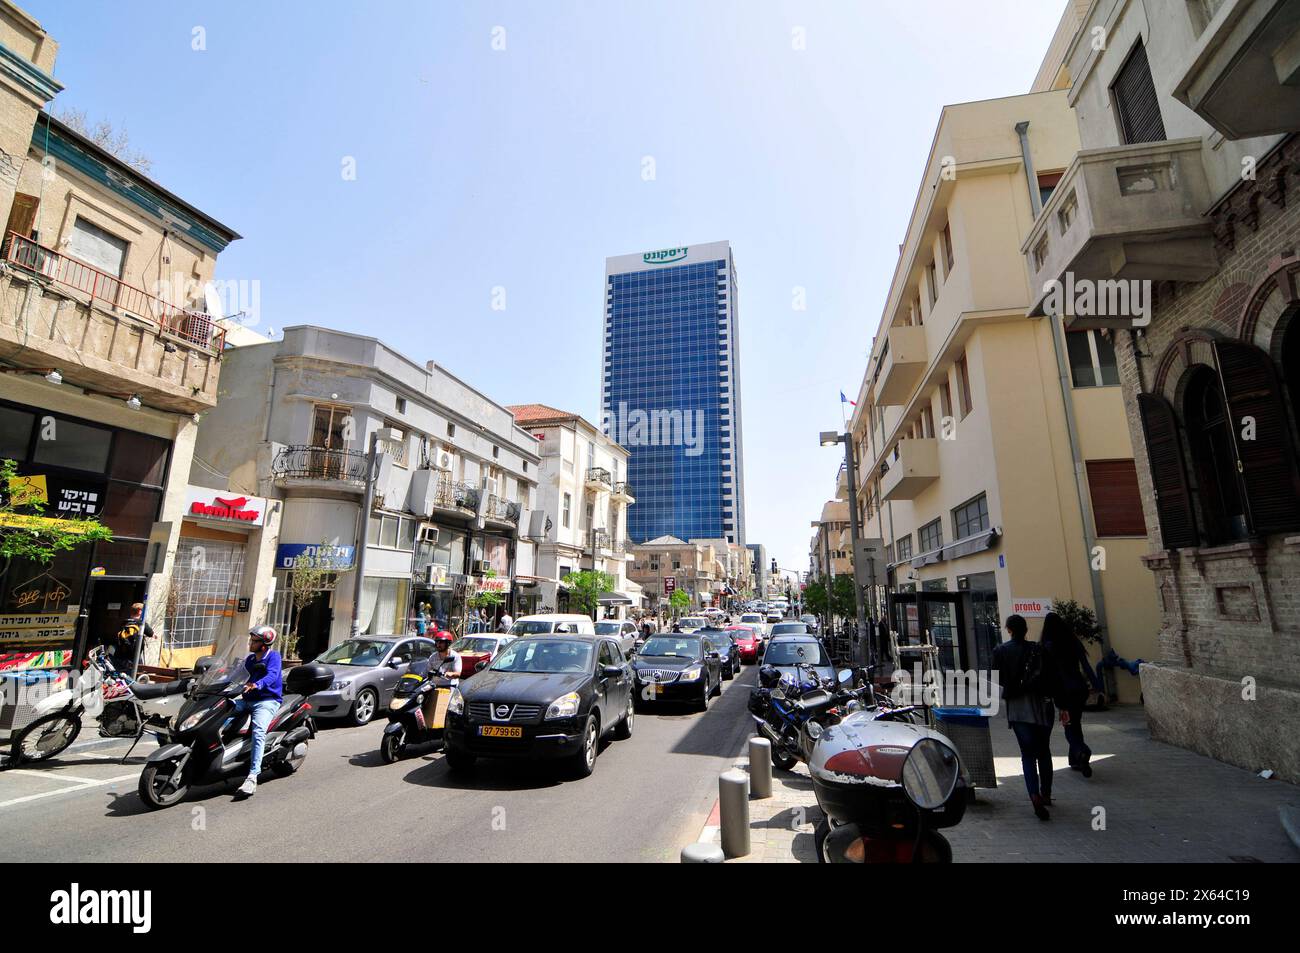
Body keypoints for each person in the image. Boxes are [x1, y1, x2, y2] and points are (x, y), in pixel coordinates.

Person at [993, 614, 1056, 821]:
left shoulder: (1000, 651)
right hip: (1040, 705)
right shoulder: (1039, 650)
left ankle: (1034, 794)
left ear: (1009, 630)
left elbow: (997, 679)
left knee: (1027, 754)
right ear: (1025, 630)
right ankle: (1046, 793)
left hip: (1018, 707)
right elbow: (1049, 677)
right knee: (1044, 752)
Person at [1041, 611, 1105, 778]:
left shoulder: (1047, 645)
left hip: (1062, 692)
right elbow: (1086, 665)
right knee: (1075, 722)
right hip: (1079, 689)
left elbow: (1045, 672)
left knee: (1069, 725)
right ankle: (1075, 760)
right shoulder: (1072, 641)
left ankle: (1082, 750)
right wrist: (1098, 685)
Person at [234, 625, 283, 798]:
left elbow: (272, 675)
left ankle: (253, 776)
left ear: (264, 644)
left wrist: (257, 684)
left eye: (254, 641)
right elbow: (239, 675)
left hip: (266, 701)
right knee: (220, 710)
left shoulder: (274, 657)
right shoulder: (250, 660)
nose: (250, 643)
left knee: (258, 731)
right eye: (251, 640)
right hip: (247, 699)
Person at [114, 603, 154, 676]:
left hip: (122, 655)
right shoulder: (141, 623)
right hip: (135, 655)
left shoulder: (125, 622)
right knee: (139, 674)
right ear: (139, 611)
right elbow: (150, 633)